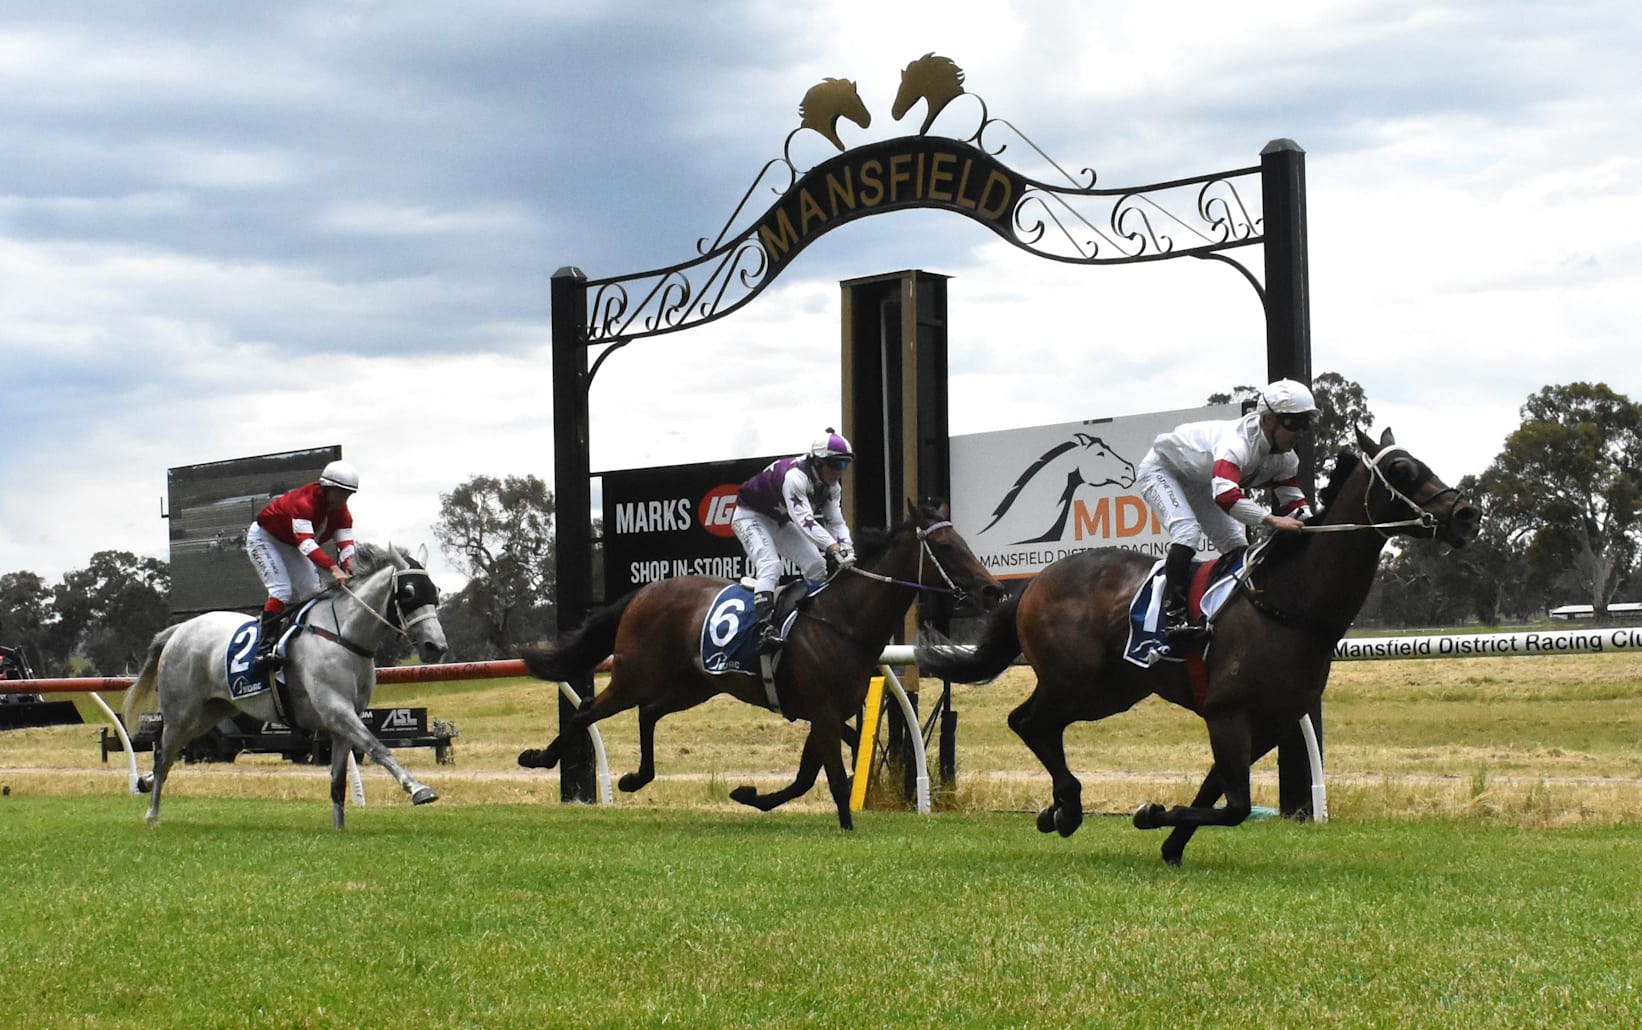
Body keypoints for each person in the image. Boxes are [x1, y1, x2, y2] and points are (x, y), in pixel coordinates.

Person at [1135, 379, 1317, 643]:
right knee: (1187, 532)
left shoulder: (1286, 459)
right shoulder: (1237, 444)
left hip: (1201, 481)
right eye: (1293, 423)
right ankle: (1174, 619)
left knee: (1237, 547)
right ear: (1268, 421)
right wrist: (1271, 520)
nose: (1299, 431)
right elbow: (1225, 496)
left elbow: (1295, 506)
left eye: (1305, 423)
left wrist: (1319, 527)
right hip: (1163, 470)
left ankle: (1227, 617)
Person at [732, 428, 857, 652]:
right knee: (770, 565)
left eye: (845, 465)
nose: (840, 472)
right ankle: (764, 629)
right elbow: (805, 521)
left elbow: (835, 521)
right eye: (836, 464)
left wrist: (847, 547)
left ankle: (813, 623)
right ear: (818, 462)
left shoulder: (832, 487)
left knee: (817, 566)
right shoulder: (795, 478)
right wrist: (835, 547)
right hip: (750, 516)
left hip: (778, 520)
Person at [244, 459, 359, 674]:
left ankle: (306, 641)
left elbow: (346, 546)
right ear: (327, 488)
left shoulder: (343, 513)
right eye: (341, 492)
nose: (345, 499)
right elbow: (306, 543)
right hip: (264, 539)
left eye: (349, 494)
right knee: (281, 591)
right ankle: (263, 650)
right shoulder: (304, 502)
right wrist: (334, 569)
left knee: (313, 592)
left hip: (289, 544)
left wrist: (353, 569)